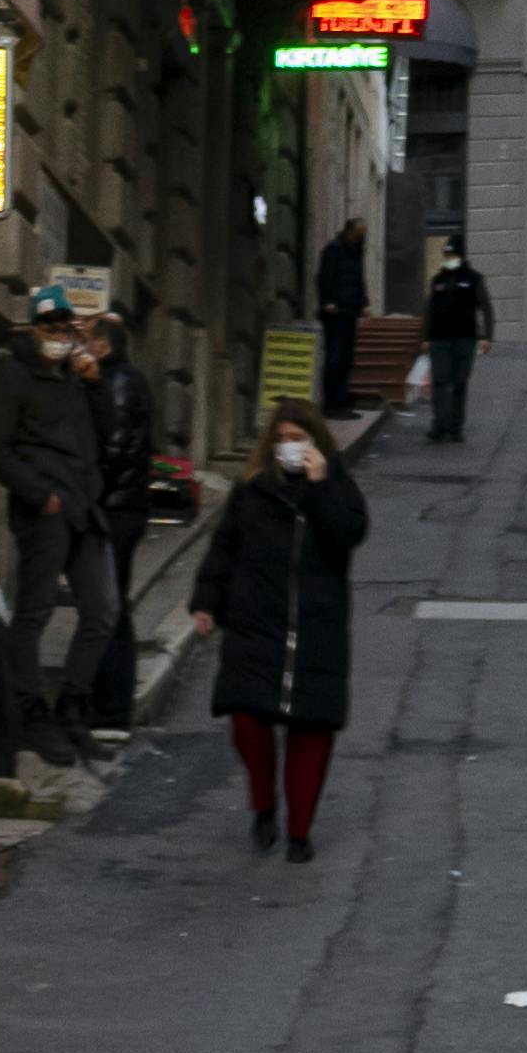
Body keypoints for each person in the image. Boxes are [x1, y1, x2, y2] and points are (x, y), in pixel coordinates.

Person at [190, 399, 368, 863]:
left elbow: (347, 535)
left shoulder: (338, 487)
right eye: (282, 440)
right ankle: (264, 801)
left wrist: (321, 485)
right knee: (247, 718)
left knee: (311, 730)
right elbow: (224, 547)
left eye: (298, 440)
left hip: (315, 628)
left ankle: (300, 833)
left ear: (316, 444)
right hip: (255, 623)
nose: (289, 448)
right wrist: (206, 601)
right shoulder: (253, 490)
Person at [0, 287, 108, 752]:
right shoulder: (12, 374)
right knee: (34, 612)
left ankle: (71, 709)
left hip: (84, 508)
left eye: (65, 328)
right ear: (34, 328)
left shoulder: (74, 377)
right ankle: (30, 715)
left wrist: (94, 382)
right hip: (47, 508)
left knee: (102, 610)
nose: (58, 336)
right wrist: (40, 495)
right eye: (50, 327)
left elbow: (105, 434)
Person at [78, 305, 159, 743]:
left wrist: (87, 494)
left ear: (104, 346)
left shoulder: (121, 382)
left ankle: (110, 706)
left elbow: (114, 448)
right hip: (119, 507)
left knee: (108, 605)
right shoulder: (115, 379)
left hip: (115, 510)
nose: (82, 347)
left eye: (89, 340)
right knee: (108, 605)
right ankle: (106, 702)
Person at [419, 237, 494, 446]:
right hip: (439, 338)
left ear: (460, 256)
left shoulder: (473, 279)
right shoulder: (438, 280)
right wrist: (424, 338)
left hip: (465, 338)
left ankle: (455, 427)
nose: (449, 259)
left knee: (459, 382)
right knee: (440, 381)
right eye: (447, 255)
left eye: (452, 255)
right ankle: (439, 426)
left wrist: (487, 336)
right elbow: (429, 311)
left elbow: (486, 308)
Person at [310, 212, 369, 411]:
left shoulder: (355, 251)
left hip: (350, 310)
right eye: (358, 233)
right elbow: (324, 278)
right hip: (335, 312)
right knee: (334, 357)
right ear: (349, 231)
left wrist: (364, 304)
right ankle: (331, 401)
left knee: (346, 358)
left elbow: (359, 279)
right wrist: (327, 301)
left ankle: (341, 399)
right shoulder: (333, 250)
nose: (360, 237)